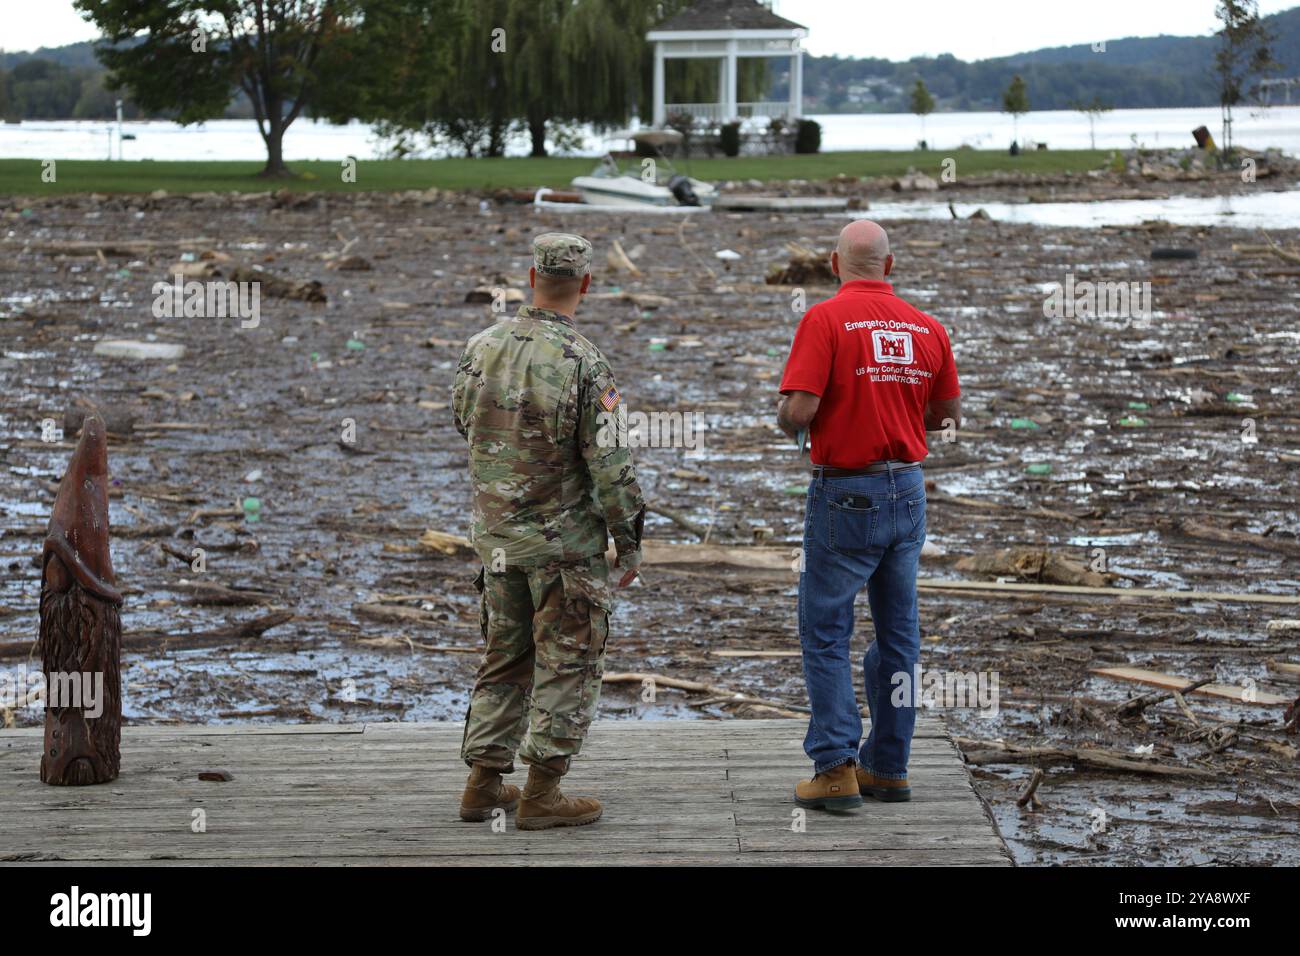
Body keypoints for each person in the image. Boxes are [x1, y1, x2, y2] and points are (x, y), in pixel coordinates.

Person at [452, 233, 646, 830]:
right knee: (568, 663)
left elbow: (466, 422)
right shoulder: (584, 360)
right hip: (564, 548)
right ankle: (540, 793)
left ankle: (484, 784)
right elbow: (610, 463)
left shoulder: (481, 347)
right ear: (587, 284)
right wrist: (629, 539)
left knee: (503, 658)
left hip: (499, 540)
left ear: (530, 276)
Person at [777, 219, 961, 811]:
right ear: (890, 265)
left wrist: (788, 417)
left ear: (834, 263)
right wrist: (896, 404)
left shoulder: (825, 319)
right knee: (898, 634)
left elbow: (801, 409)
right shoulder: (927, 326)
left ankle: (835, 768)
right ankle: (889, 767)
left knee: (826, 630)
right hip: (907, 489)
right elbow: (946, 414)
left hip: (846, 493)